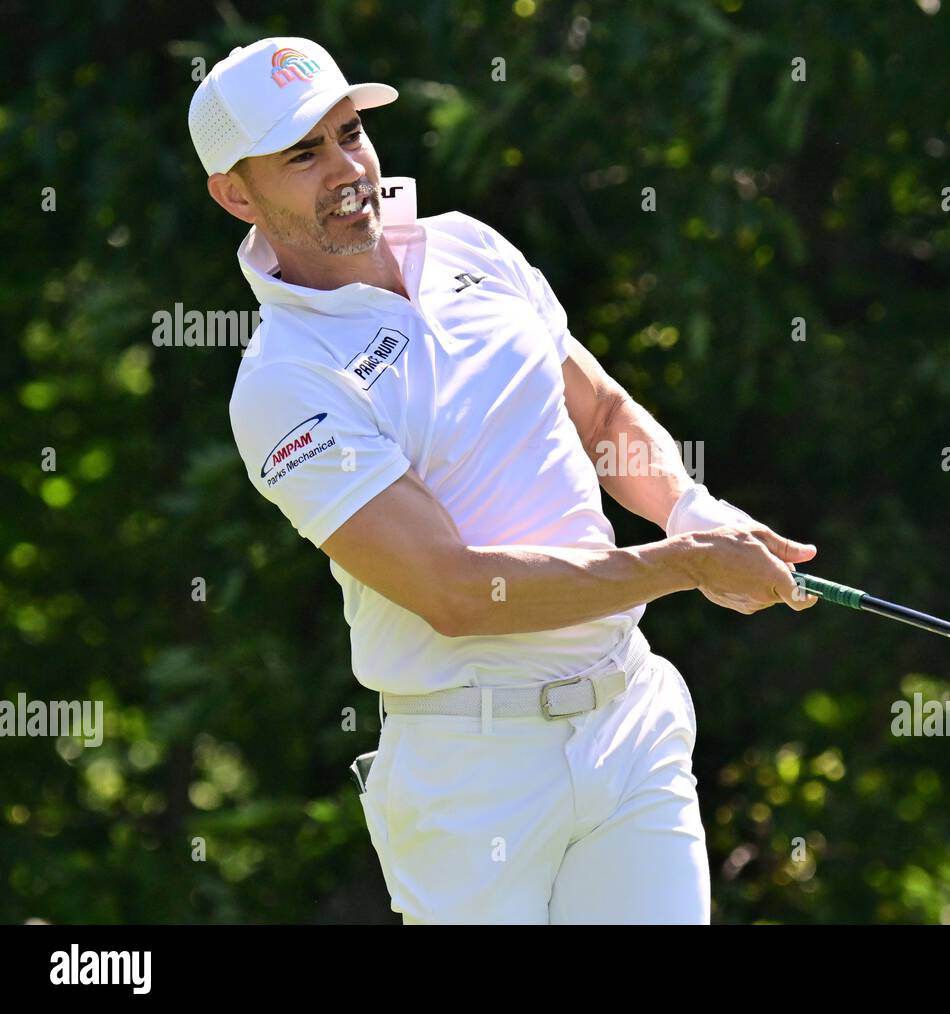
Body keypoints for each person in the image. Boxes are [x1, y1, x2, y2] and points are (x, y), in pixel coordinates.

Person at [189, 36, 818, 924]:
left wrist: (693, 508)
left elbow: (600, 417)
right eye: (303, 153)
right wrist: (686, 563)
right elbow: (456, 592)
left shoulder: (467, 245)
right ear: (234, 193)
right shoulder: (284, 382)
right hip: (472, 773)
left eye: (350, 133)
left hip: (627, 721)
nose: (347, 169)